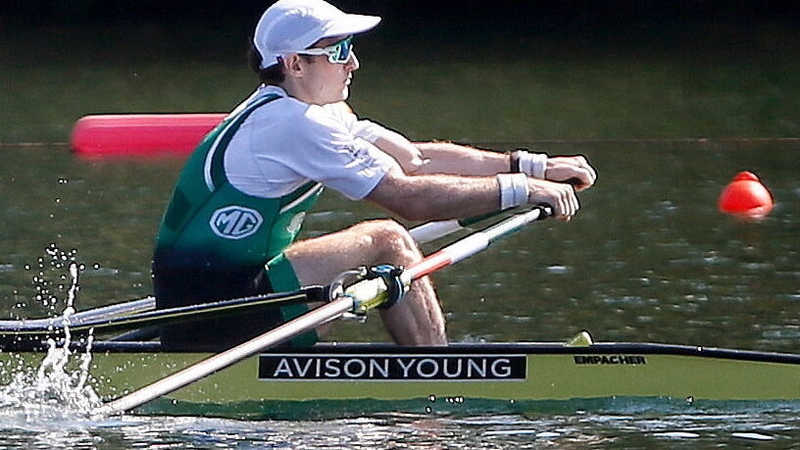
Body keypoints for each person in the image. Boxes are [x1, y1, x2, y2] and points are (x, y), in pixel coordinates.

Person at [151, 0, 597, 351]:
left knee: (381, 246)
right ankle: (435, 372)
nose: (354, 63)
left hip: (226, 291)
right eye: (339, 51)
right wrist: (522, 191)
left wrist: (530, 166)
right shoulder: (290, 124)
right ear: (295, 64)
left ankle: (430, 360)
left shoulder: (312, 112)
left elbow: (416, 159)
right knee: (387, 240)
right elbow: (409, 198)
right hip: (214, 309)